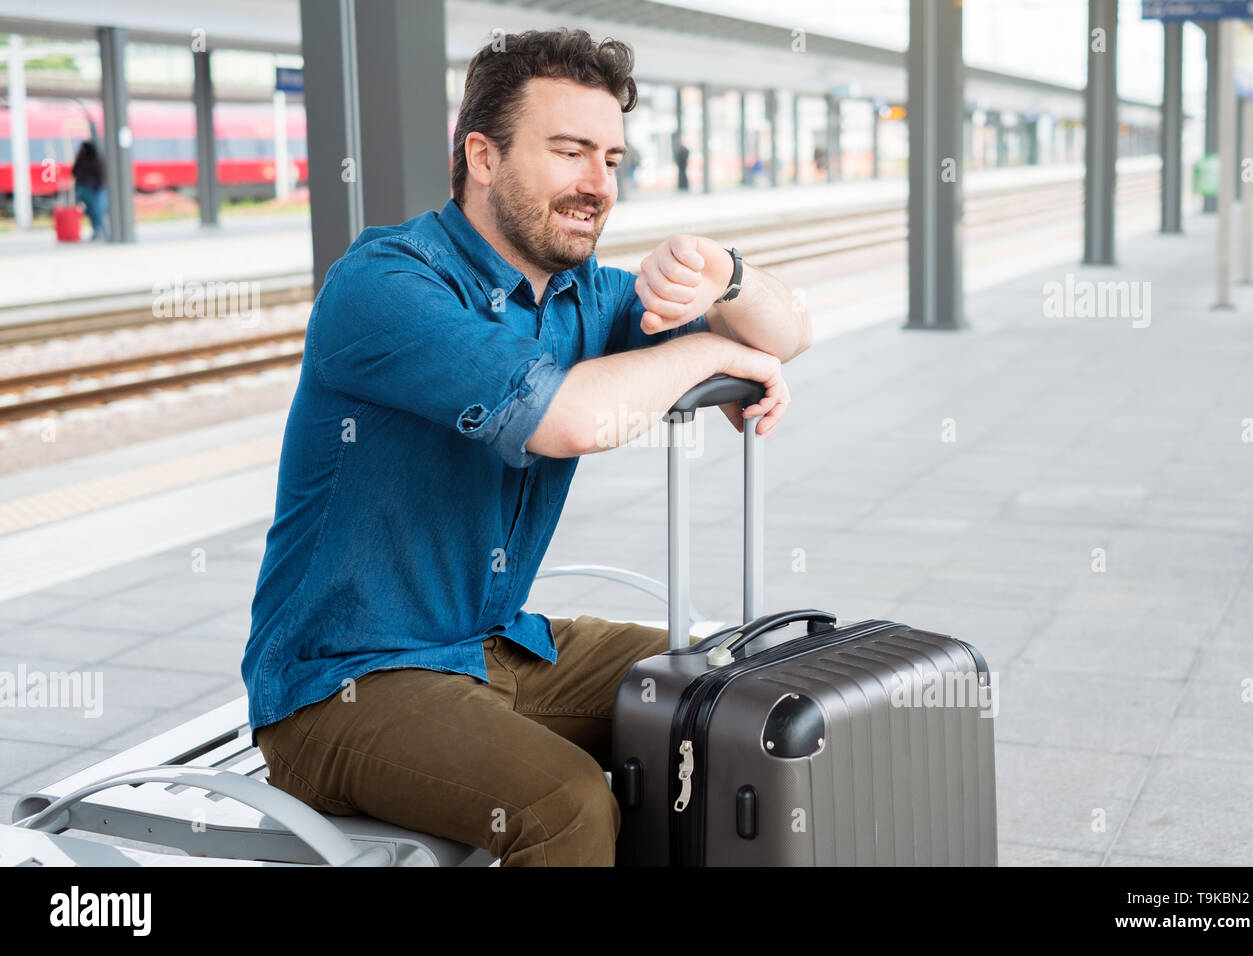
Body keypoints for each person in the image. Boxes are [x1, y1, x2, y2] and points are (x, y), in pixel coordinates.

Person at [243, 27, 811, 867]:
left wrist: (726, 275)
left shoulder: (584, 298)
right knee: (564, 805)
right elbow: (563, 418)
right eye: (570, 152)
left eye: (611, 159)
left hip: (490, 647)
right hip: (338, 688)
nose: (598, 184)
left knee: (745, 690)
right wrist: (710, 353)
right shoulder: (385, 283)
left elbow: (790, 333)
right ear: (483, 156)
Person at [71, 141, 108, 239]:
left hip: (94, 189)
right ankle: (97, 229)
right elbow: (74, 172)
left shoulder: (94, 160)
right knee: (93, 210)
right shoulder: (84, 159)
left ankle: (99, 229)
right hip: (89, 189)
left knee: (96, 210)